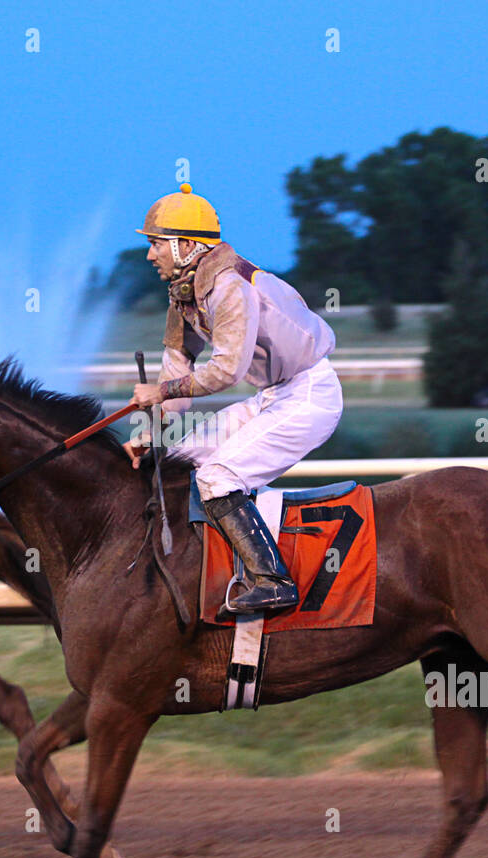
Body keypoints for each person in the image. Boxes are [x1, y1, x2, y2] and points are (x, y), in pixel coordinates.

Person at [124, 183, 342, 614]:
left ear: (185, 245)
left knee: (218, 476)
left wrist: (160, 392)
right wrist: (152, 430)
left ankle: (274, 580)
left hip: (309, 395)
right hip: (274, 395)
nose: (150, 255)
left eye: (155, 244)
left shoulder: (229, 287)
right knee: (179, 457)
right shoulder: (184, 291)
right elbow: (178, 365)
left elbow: (226, 371)